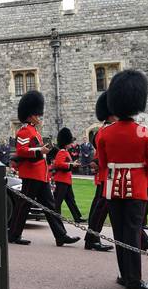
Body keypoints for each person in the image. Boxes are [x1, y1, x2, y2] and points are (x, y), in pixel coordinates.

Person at [97, 70, 148, 289]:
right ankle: (134, 280)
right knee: (133, 231)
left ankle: (125, 275)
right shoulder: (144, 131)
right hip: (137, 186)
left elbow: (102, 163)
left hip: (112, 185)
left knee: (119, 231)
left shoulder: (104, 133)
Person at [8, 90, 79, 247]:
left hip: (40, 174)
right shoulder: (24, 130)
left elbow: (35, 150)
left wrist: (45, 150)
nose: (39, 117)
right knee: (23, 205)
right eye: (37, 115)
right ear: (30, 115)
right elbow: (21, 150)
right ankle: (13, 234)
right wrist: (40, 151)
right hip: (32, 174)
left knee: (50, 206)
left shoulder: (34, 131)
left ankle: (61, 235)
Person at [83, 94, 114, 252]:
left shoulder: (104, 130)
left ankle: (91, 239)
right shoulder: (106, 131)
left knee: (104, 209)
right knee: (101, 209)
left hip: (108, 175)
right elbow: (103, 155)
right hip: (107, 176)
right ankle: (91, 239)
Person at [50, 128, 86, 223]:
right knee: (58, 201)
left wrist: (72, 163)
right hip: (61, 180)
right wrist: (71, 164)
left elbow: (65, 163)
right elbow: (58, 164)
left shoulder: (65, 152)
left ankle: (77, 217)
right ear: (66, 143)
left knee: (71, 200)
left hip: (66, 180)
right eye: (70, 143)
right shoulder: (62, 152)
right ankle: (56, 218)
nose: (71, 144)